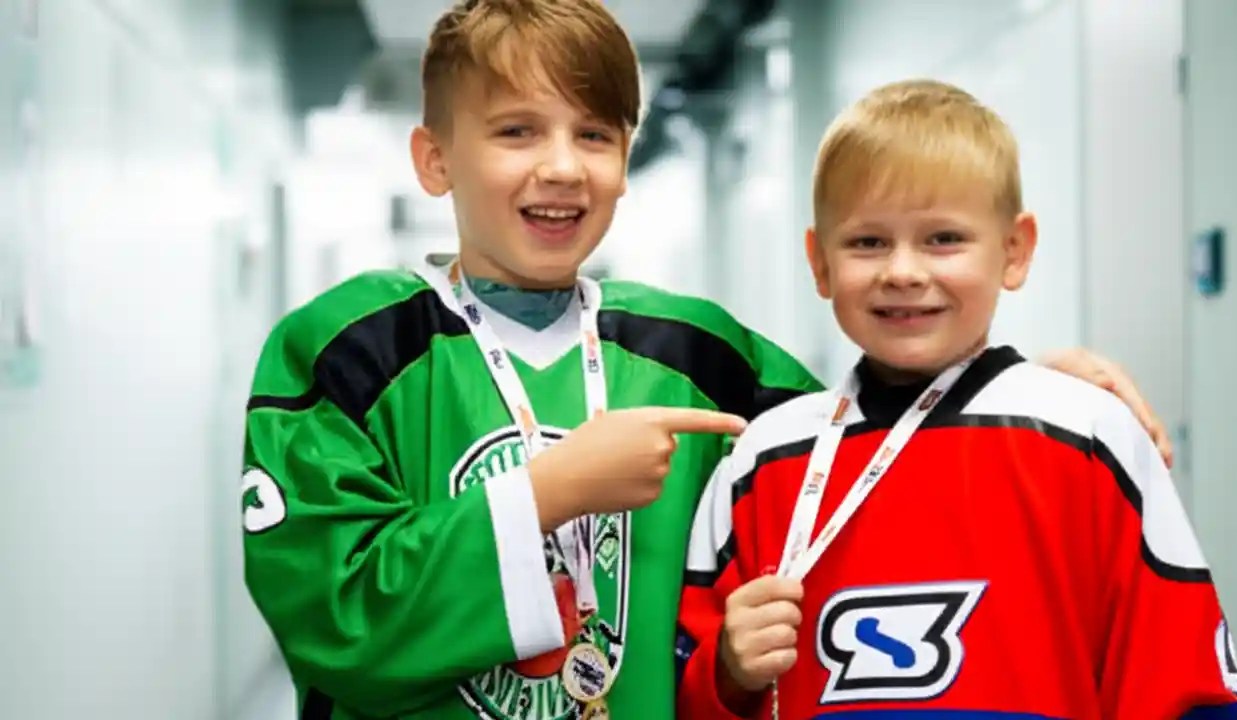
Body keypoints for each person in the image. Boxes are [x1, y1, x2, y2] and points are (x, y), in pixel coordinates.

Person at [240, 3, 1177, 719]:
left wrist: (1015, 385)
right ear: (435, 158)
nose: (563, 166)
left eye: (594, 134)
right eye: (516, 131)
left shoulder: (696, 350)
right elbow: (333, 617)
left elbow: (875, 457)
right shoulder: (346, 349)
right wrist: (546, 492)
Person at [675, 79, 1237, 720]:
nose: (903, 271)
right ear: (820, 262)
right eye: (867, 242)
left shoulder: (1087, 436)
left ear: (1015, 249)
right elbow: (684, 685)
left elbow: (1182, 682)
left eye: (943, 238)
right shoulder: (764, 460)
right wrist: (725, 673)